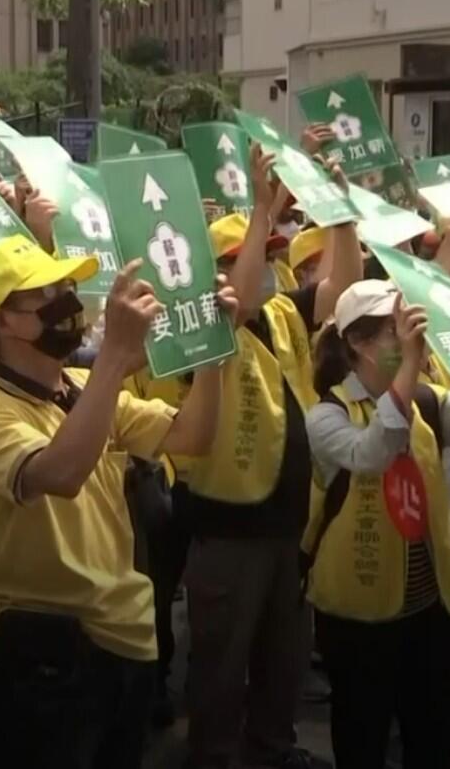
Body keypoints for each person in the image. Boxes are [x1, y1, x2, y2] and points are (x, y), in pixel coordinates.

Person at [0, 236, 233, 768]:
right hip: (46, 656)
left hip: (125, 636)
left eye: (68, 287)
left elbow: (193, 436)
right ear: (4, 321)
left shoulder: (81, 387)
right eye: (46, 294)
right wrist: (114, 358)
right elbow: (60, 472)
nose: (67, 302)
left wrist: (213, 350)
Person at [128, 144, 359, 769]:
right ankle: (215, 756)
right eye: (252, 258)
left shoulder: (284, 314)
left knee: (283, 658)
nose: (272, 270)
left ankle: (272, 749)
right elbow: (241, 299)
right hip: (228, 531)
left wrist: (341, 215)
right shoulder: (197, 326)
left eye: (275, 258)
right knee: (223, 666)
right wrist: (261, 210)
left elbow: (344, 291)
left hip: (290, 527)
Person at [302, 279, 450, 769]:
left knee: (432, 738)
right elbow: (375, 451)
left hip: (428, 609)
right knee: (362, 739)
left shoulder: (429, 401)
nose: (408, 341)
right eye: (393, 331)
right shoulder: (326, 415)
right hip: (357, 618)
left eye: (410, 327)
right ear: (356, 342)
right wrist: (409, 370)